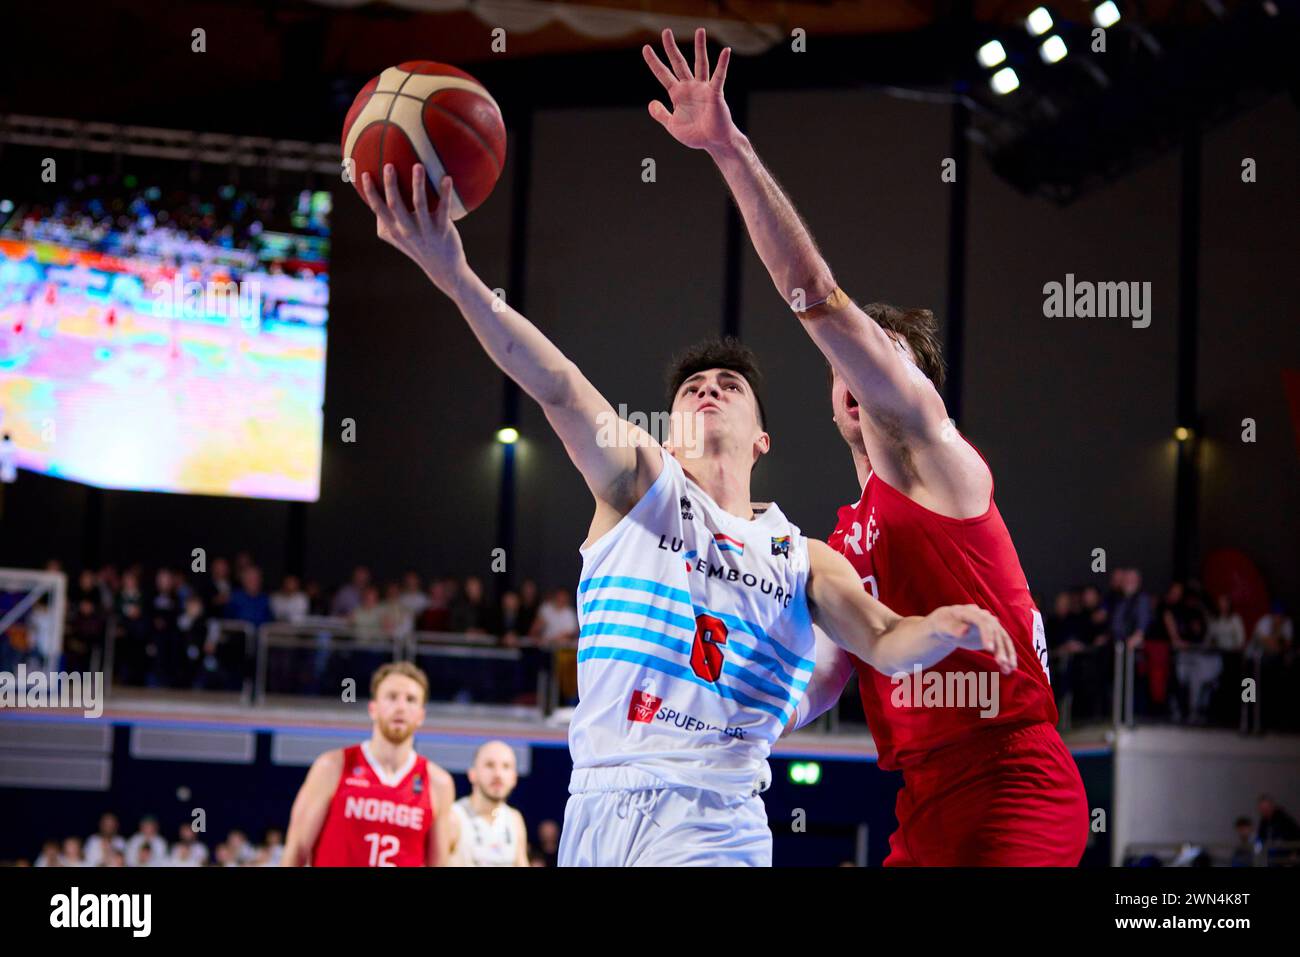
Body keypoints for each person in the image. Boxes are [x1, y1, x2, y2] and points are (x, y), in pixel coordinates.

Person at [358, 159, 1015, 866]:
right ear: (667, 431)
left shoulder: (803, 555)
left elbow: (884, 637)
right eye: (693, 386)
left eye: (728, 384)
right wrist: (456, 276)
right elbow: (558, 386)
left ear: (763, 438)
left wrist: (943, 627)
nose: (709, 390)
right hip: (598, 808)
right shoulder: (639, 487)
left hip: (714, 814)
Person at [644, 27, 1085, 865]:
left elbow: (812, 294)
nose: (860, 366)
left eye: (882, 354)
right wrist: (714, 725)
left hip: (1014, 777)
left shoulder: (935, 449)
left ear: (913, 384)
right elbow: (822, 679)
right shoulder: (841, 540)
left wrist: (730, 149)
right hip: (921, 801)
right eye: (855, 356)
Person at [282, 662, 454, 866]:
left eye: (411, 700)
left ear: (421, 716)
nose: (401, 707)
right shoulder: (332, 766)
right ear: (373, 709)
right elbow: (297, 849)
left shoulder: (438, 783)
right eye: (391, 697)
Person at [447, 740, 529, 867]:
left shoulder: (514, 819)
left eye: (506, 766)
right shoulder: (453, 817)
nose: (498, 774)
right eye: (489, 765)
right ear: (472, 774)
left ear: (514, 778)